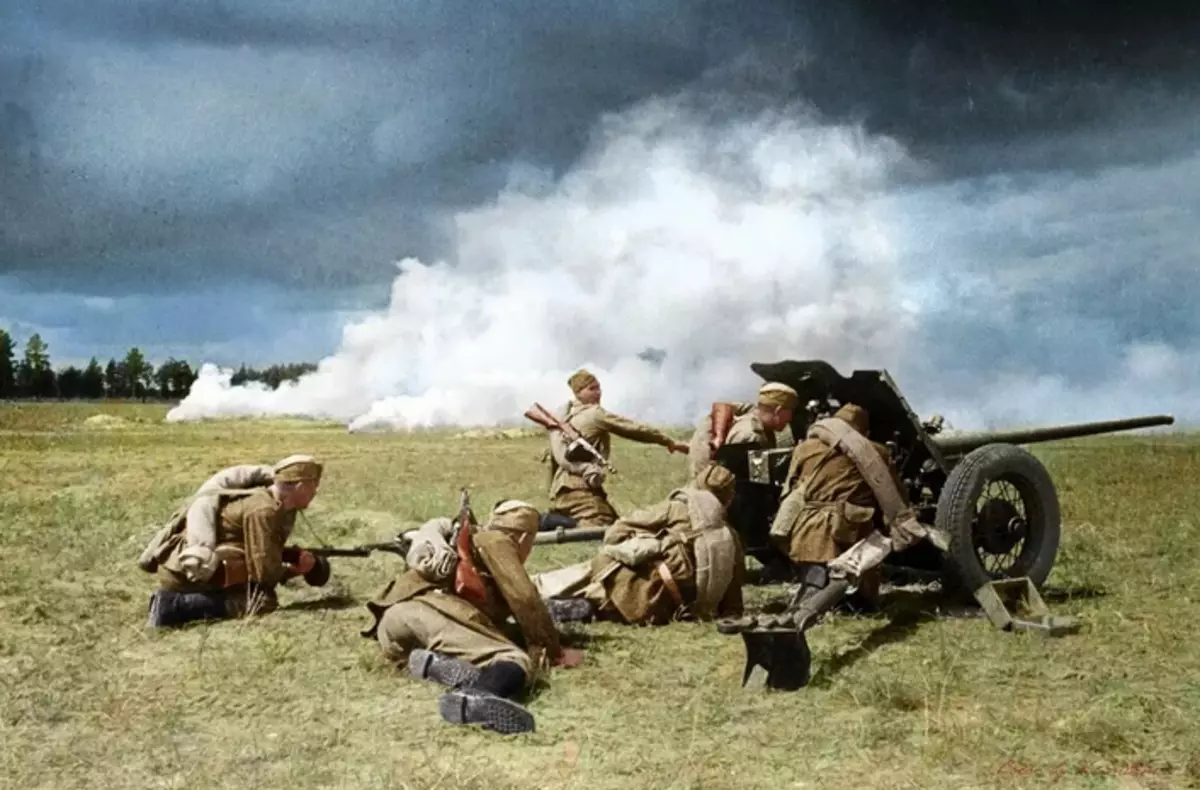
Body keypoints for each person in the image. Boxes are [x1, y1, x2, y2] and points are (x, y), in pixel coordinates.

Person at [363, 499, 582, 735]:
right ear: (522, 538)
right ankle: (475, 695)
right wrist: (552, 650)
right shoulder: (496, 541)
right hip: (429, 612)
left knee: (488, 643)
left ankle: (435, 664)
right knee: (513, 658)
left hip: (393, 623)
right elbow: (524, 598)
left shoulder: (471, 544)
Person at [532, 462, 745, 626]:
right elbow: (733, 604)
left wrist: (623, 546)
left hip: (638, 592)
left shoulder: (677, 509)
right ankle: (584, 607)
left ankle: (531, 590)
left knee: (593, 572)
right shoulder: (731, 537)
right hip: (672, 610)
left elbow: (620, 528)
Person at [139, 455, 327, 628]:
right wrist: (296, 570)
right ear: (301, 486)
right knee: (262, 601)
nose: (315, 492)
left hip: (183, 567)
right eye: (314, 486)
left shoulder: (269, 503)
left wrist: (291, 555)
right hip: (186, 571)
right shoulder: (264, 510)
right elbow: (264, 574)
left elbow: (256, 547)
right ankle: (173, 606)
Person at [767, 404, 923, 605]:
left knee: (815, 580)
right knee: (862, 602)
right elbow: (893, 494)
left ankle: (816, 591)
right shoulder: (875, 452)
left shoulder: (804, 448)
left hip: (806, 529)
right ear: (862, 431)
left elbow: (791, 486)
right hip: (847, 532)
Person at [545, 368, 689, 528]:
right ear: (578, 393)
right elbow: (632, 429)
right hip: (580, 487)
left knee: (615, 525)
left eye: (599, 388)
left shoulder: (565, 419)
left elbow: (555, 459)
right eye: (591, 389)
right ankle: (544, 522)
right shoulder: (594, 414)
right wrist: (669, 442)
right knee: (600, 525)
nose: (598, 393)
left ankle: (554, 521)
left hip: (563, 489)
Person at [686, 381, 800, 479]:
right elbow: (754, 481)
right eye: (790, 412)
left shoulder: (753, 414)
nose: (790, 419)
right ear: (778, 411)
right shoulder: (751, 436)